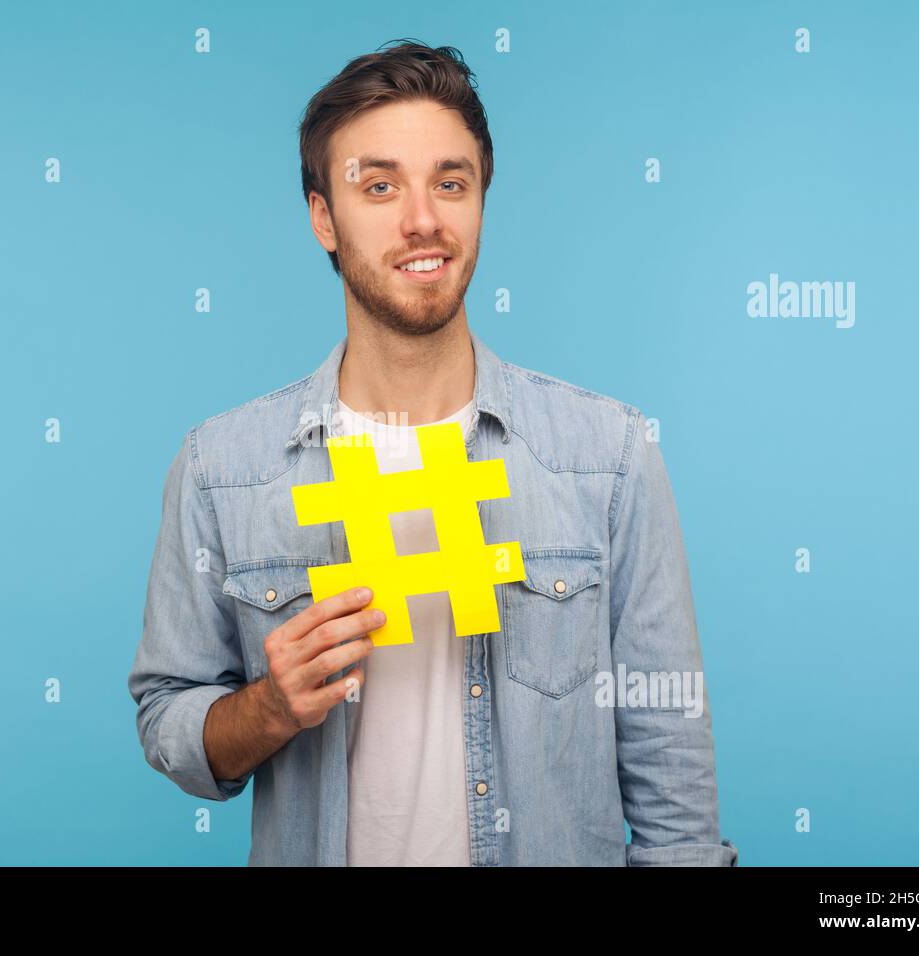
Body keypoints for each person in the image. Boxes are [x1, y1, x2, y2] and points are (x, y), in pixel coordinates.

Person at [128, 39, 737, 867]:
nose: (423, 219)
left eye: (450, 182)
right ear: (322, 219)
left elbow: (670, 760)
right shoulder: (220, 468)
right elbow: (168, 719)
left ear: (481, 200)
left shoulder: (610, 455)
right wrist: (270, 706)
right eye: (378, 186)